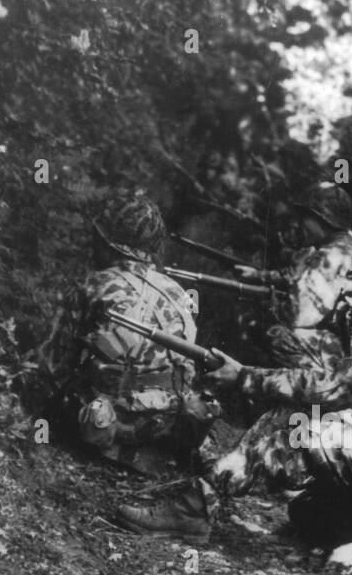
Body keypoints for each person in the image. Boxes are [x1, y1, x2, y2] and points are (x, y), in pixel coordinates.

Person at [114, 235, 352, 547]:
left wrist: (243, 376)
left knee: (294, 417)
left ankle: (194, 508)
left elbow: (329, 388)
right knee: (308, 513)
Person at [33, 191, 219, 473]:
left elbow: (52, 364)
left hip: (107, 422)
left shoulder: (95, 285)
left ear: (108, 241)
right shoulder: (178, 292)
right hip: (167, 423)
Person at [236, 182, 352, 368]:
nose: (298, 224)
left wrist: (271, 306)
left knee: (280, 336)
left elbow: (297, 316)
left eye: (305, 217)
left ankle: (308, 392)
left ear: (322, 219)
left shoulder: (330, 255)